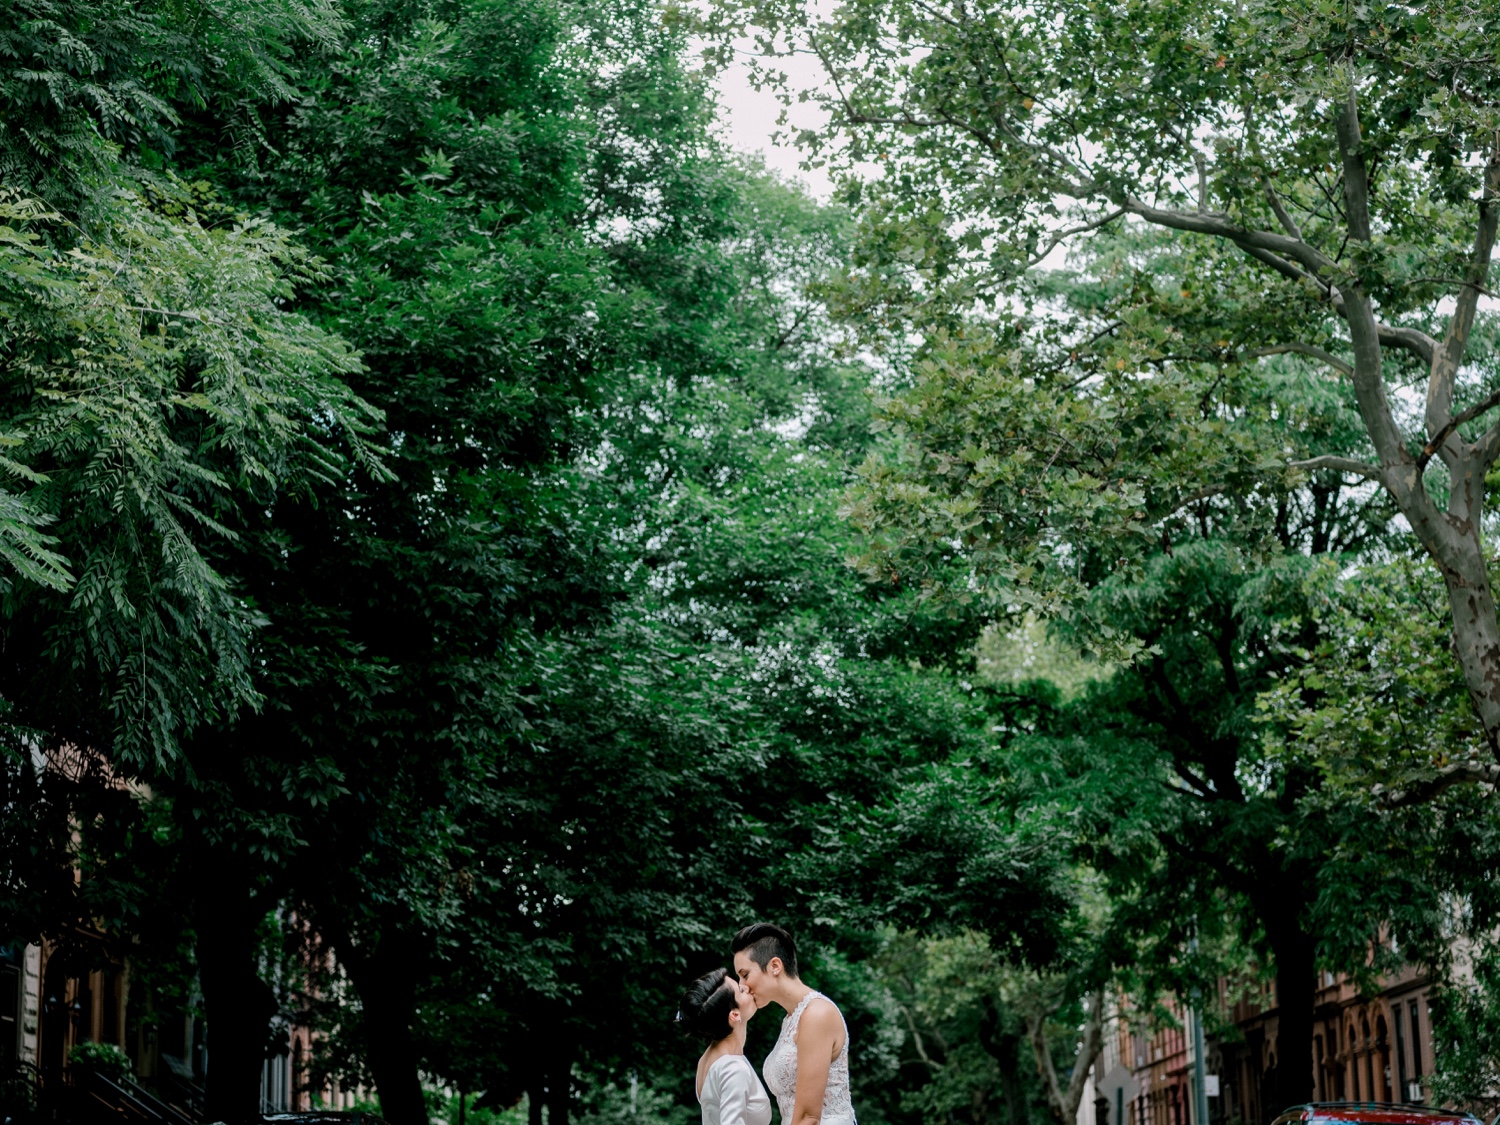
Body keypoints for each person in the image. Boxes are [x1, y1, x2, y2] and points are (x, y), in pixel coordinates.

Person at [731, 924, 856, 1125]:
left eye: (745, 975)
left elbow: (809, 1118)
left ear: (775, 966)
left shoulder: (817, 1014)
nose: (742, 985)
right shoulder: (792, 1019)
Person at [677, 967, 772, 1125]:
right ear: (734, 1015)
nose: (747, 987)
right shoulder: (733, 1068)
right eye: (741, 990)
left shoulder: (707, 1060)